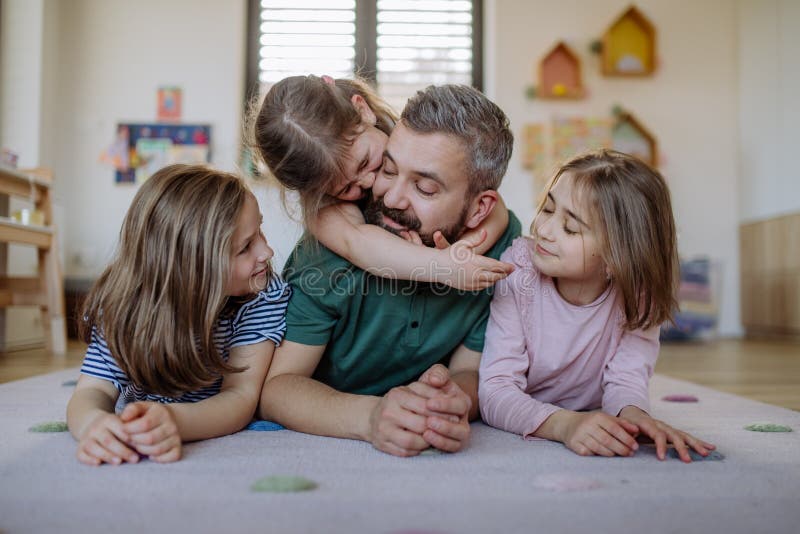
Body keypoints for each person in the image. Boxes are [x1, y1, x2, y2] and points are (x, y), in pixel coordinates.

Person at [258, 84, 522, 456]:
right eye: (389, 169)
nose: (387, 196)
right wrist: (369, 416)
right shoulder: (330, 248)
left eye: (425, 188)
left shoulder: (498, 248)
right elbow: (278, 388)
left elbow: (470, 371)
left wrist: (450, 402)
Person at [478, 150, 716, 462]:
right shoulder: (518, 271)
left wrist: (635, 416)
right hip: (534, 406)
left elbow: (626, 380)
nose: (544, 230)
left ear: (618, 258)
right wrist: (564, 425)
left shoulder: (638, 294)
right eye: (547, 209)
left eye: (570, 228)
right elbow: (495, 391)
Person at [66, 164, 290, 465]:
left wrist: (173, 420)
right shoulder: (123, 308)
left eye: (260, 231)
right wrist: (93, 424)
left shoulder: (261, 297)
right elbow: (91, 390)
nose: (267, 252)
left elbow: (240, 398)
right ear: (192, 269)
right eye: (245, 247)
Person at [251, 74, 513, 291]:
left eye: (367, 162)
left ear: (362, 110)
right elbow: (359, 244)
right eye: (345, 188)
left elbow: (494, 208)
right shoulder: (324, 210)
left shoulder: (409, 135)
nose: (368, 181)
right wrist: (442, 266)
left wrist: (464, 250)